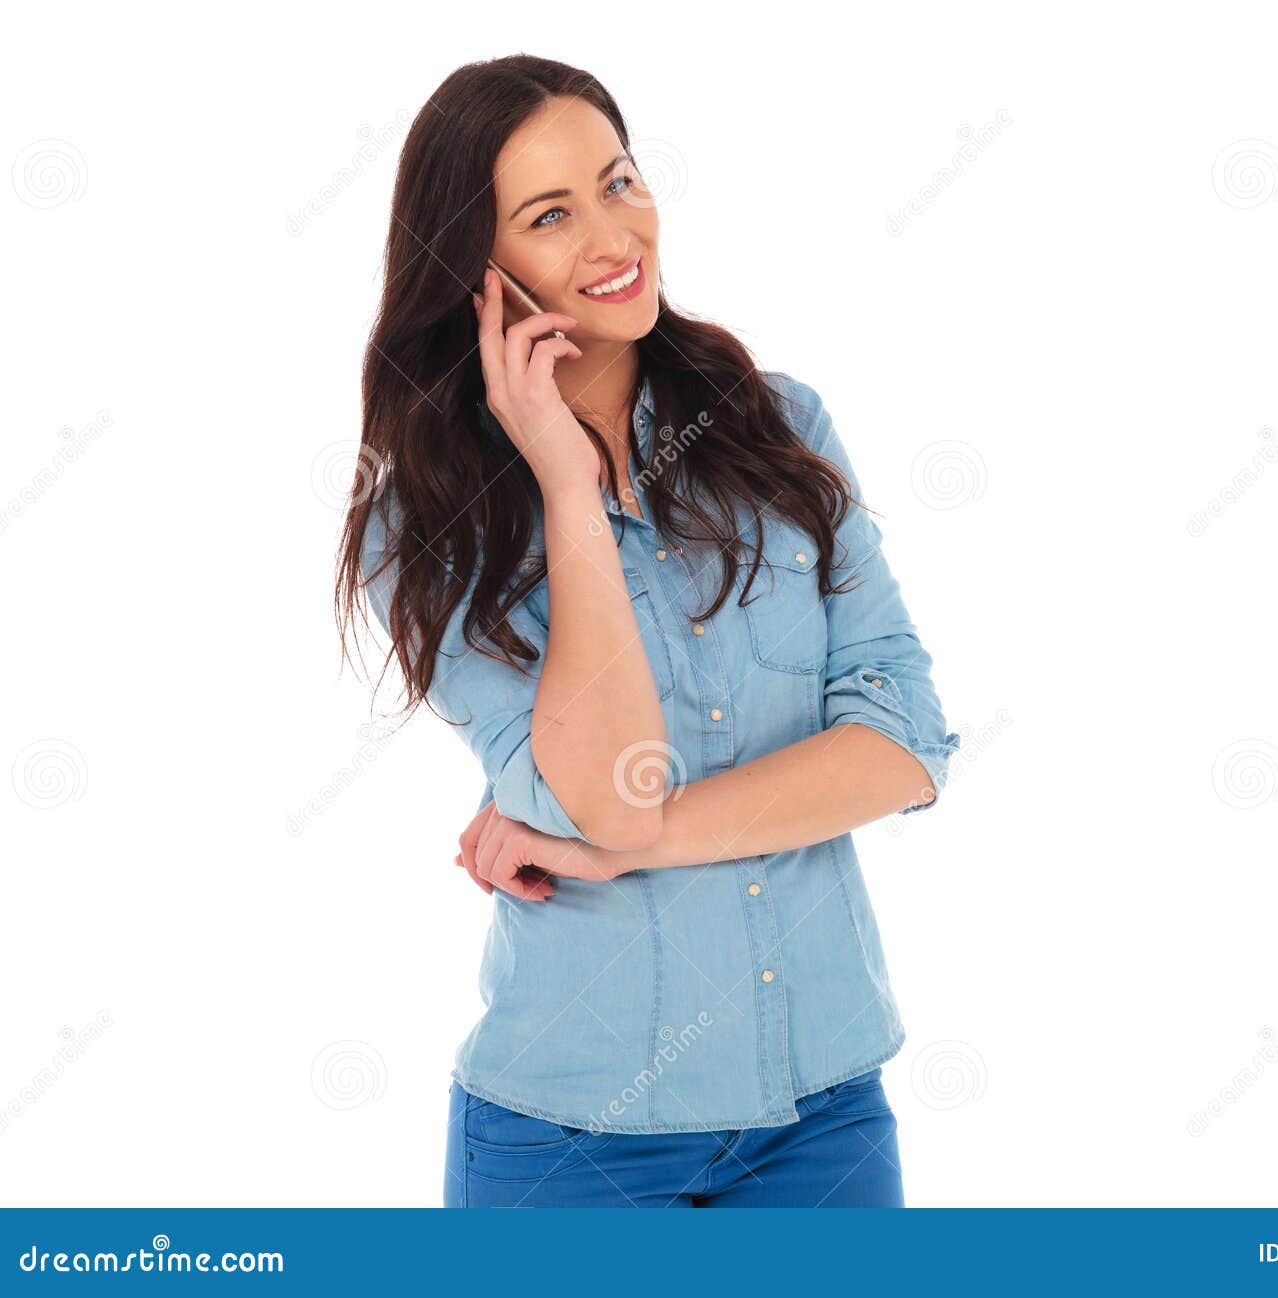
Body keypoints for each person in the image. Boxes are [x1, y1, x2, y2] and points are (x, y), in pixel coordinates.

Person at [335, 54, 960, 1208]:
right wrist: (569, 490)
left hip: (823, 1114)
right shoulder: (421, 525)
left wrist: (619, 847)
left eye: (619, 182)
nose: (612, 235)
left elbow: (905, 741)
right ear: (478, 270)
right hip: (573, 1140)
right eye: (550, 215)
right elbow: (607, 792)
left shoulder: (780, 430)